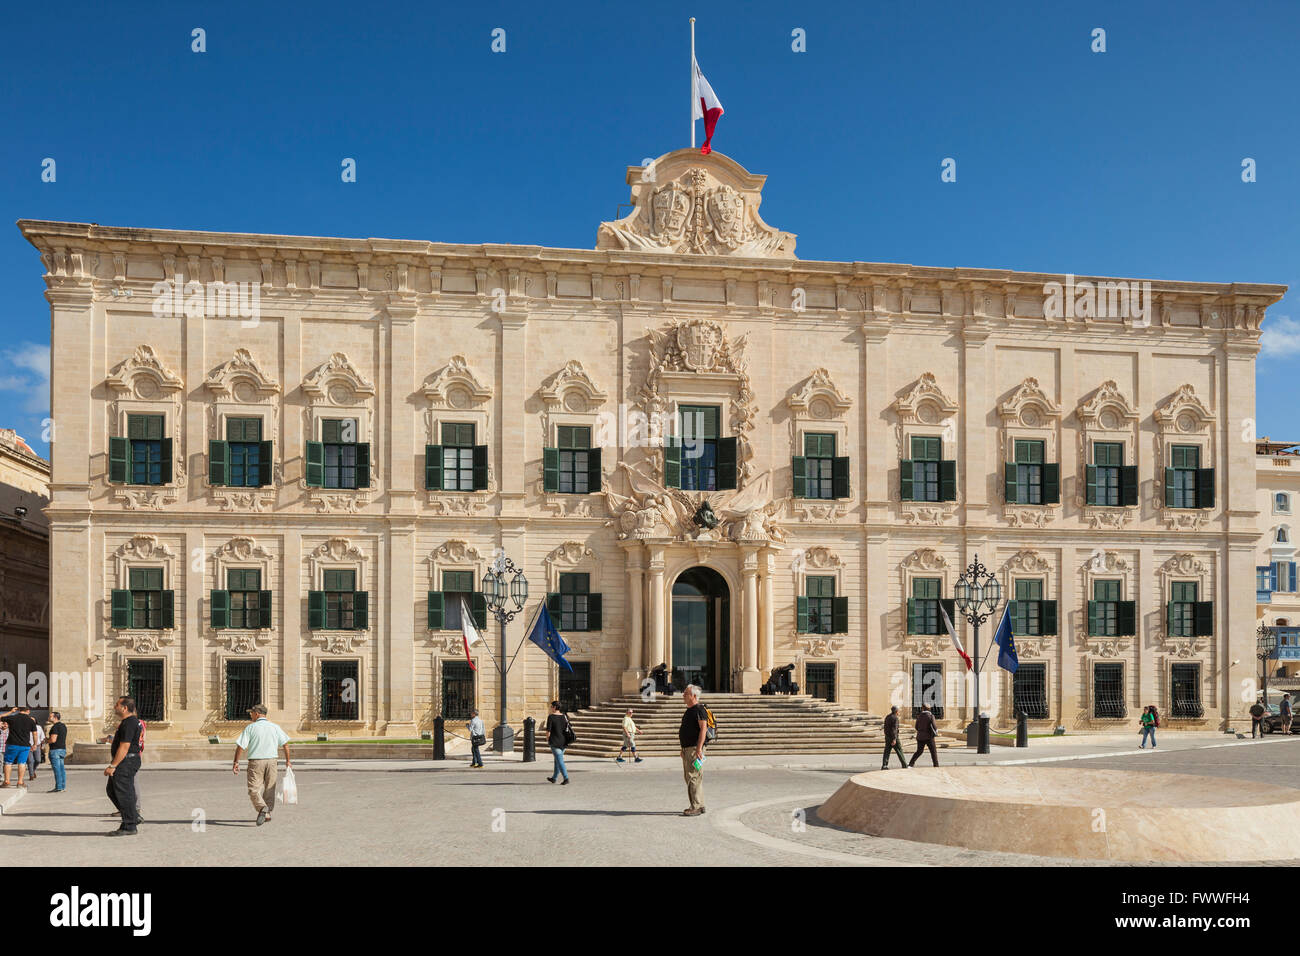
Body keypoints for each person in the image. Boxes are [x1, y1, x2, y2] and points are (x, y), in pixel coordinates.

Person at [231, 703, 292, 826]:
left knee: (253, 789)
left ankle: (262, 808)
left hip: (256, 762)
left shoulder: (250, 728)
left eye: (251, 713)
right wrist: (288, 761)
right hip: (272, 761)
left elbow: (240, 746)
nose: (250, 716)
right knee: (269, 788)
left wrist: (236, 762)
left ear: (257, 714)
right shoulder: (275, 727)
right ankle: (267, 812)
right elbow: (285, 744)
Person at [104, 697, 143, 836]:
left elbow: (125, 746)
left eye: (117, 705)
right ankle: (132, 816)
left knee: (123, 792)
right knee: (112, 790)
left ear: (124, 708)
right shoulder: (128, 722)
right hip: (127, 760)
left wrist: (113, 765)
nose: (114, 707)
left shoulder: (129, 723)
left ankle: (129, 825)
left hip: (126, 761)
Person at [679, 685, 708, 816]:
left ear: (694, 696)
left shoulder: (699, 709)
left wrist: (699, 748)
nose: (683, 695)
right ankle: (700, 804)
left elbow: (703, 729)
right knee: (694, 777)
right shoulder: (689, 710)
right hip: (688, 749)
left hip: (694, 749)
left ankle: (695, 806)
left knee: (693, 777)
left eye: (686, 693)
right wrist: (682, 748)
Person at [1, 705, 38, 788]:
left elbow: (1, 717)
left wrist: (11, 712)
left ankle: (6, 782)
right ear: (28, 711)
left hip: (12, 744)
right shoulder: (30, 720)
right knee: (22, 763)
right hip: (24, 745)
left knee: (8, 762)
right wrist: (35, 744)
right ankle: (20, 782)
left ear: (18, 710)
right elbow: (35, 734)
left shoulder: (12, 718)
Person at [545, 701, 571, 785]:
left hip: (555, 742)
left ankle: (566, 778)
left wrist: (548, 739)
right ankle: (554, 778)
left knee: (560, 761)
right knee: (557, 760)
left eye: (551, 706)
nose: (551, 708)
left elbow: (548, 730)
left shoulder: (551, 717)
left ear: (555, 707)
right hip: (563, 742)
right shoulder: (564, 716)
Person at [881, 705, 909, 770]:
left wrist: (886, 736)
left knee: (887, 751)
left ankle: (884, 765)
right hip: (893, 737)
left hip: (887, 737)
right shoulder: (895, 718)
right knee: (899, 750)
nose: (898, 712)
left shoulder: (887, 717)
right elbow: (894, 729)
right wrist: (894, 739)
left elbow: (885, 727)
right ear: (896, 711)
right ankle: (904, 764)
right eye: (898, 711)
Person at [46, 712, 68, 793]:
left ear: (55, 717)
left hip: (55, 750)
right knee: (62, 769)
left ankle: (59, 787)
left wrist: (46, 740)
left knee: (57, 770)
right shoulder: (63, 726)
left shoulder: (55, 727)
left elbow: (53, 740)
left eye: (50, 716)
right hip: (62, 749)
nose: (49, 717)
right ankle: (63, 786)